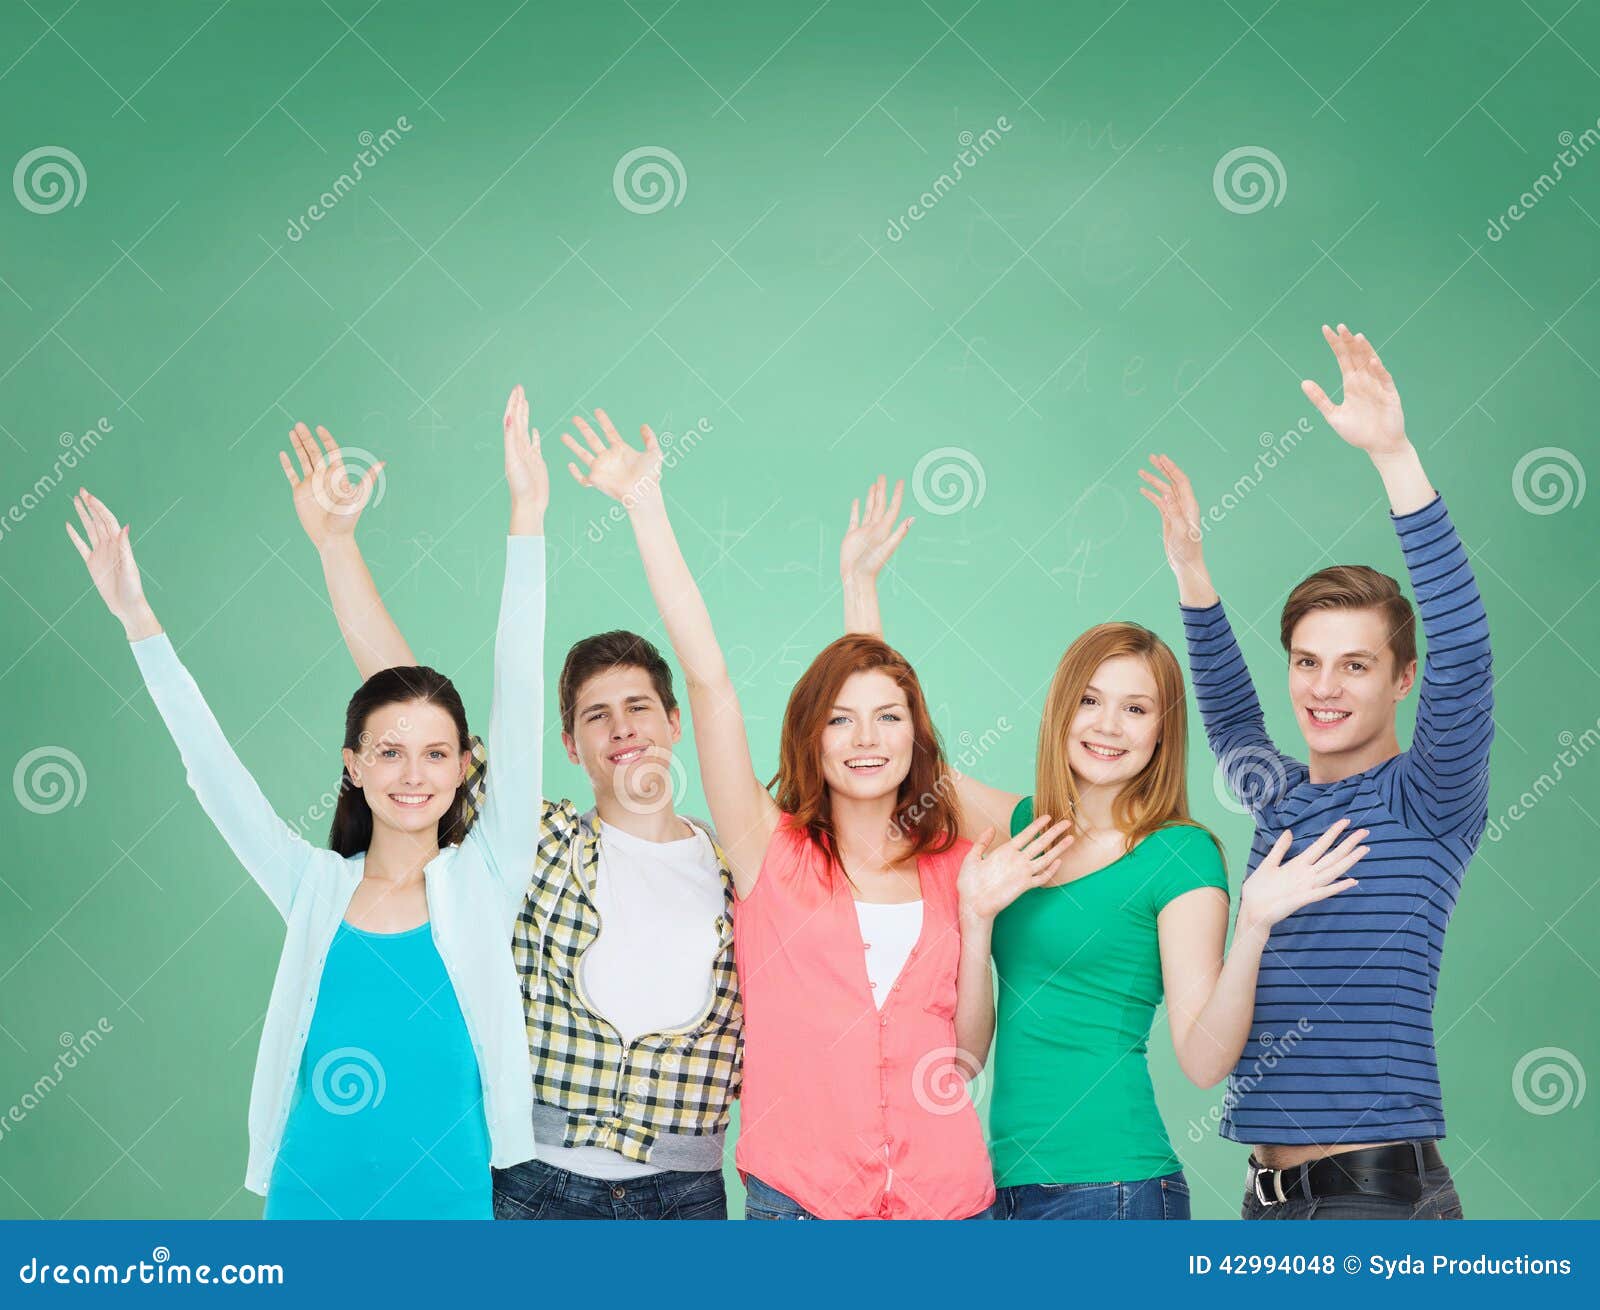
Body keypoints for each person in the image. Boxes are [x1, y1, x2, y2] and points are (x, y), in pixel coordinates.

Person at [561, 410, 1071, 1220]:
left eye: (889, 720)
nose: (866, 740)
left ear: (917, 735)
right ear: (812, 737)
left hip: (949, 1210)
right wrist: (644, 503)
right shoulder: (770, 852)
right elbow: (709, 680)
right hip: (799, 1207)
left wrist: (977, 924)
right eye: (839, 720)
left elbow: (964, 1062)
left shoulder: (956, 868)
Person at [65, 387, 546, 1217]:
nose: (413, 773)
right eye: (389, 752)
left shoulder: (489, 874)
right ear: (353, 767)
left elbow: (521, 679)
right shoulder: (315, 886)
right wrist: (137, 619)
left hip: (449, 1200)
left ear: (467, 766)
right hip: (310, 1195)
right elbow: (214, 774)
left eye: (436, 754)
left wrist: (527, 515)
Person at [841, 477, 1369, 1220]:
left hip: (1115, 1190)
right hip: (1003, 1187)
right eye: (1090, 700)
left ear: (1160, 732)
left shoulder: (1179, 855)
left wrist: (1252, 927)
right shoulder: (1023, 827)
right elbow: (903, 756)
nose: (1108, 725)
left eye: (1135, 708)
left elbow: (1203, 1058)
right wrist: (861, 589)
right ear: (1062, 710)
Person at [279, 409, 739, 1221]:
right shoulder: (532, 839)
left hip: (687, 1191)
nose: (622, 727)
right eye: (597, 715)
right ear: (569, 743)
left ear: (674, 723)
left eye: (639, 707)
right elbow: (406, 696)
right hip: (537, 1185)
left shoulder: (741, 864)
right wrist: (336, 545)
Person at [1141, 323, 1494, 1219]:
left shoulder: (1429, 796)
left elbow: (1466, 647)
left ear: (1402, 678)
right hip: (1270, 1200)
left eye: (1356, 664)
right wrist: (1192, 572)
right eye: (1306, 661)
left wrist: (1394, 457)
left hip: (1374, 1200)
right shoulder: (1282, 799)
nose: (1325, 688)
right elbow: (1225, 712)